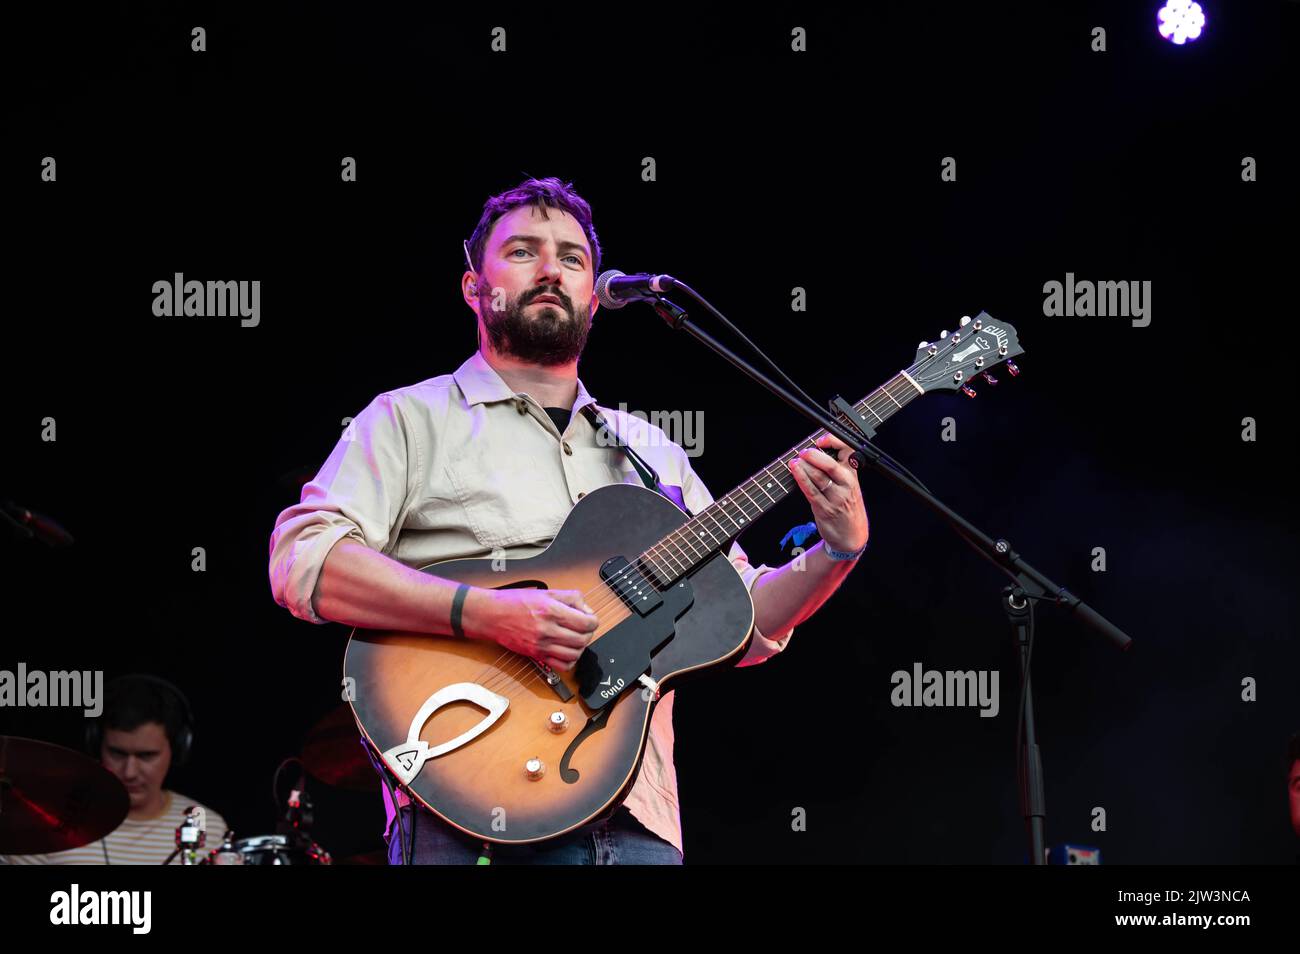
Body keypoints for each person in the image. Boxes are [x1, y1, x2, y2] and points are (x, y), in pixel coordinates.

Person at [268, 176, 869, 864]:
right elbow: (303, 560)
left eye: (572, 258)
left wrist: (834, 553)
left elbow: (745, 620)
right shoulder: (409, 419)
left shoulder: (649, 451)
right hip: (468, 805)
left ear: (593, 296)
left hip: (636, 814)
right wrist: (486, 613)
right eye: (524, 252)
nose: (552, 269)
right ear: (473, 287)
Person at [1, 674, 227, 865]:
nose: (129, 772)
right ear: (96, 745)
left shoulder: (208, 826)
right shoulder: (43, 821)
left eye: (146, 756)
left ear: (177, 750)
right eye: (117, 753)